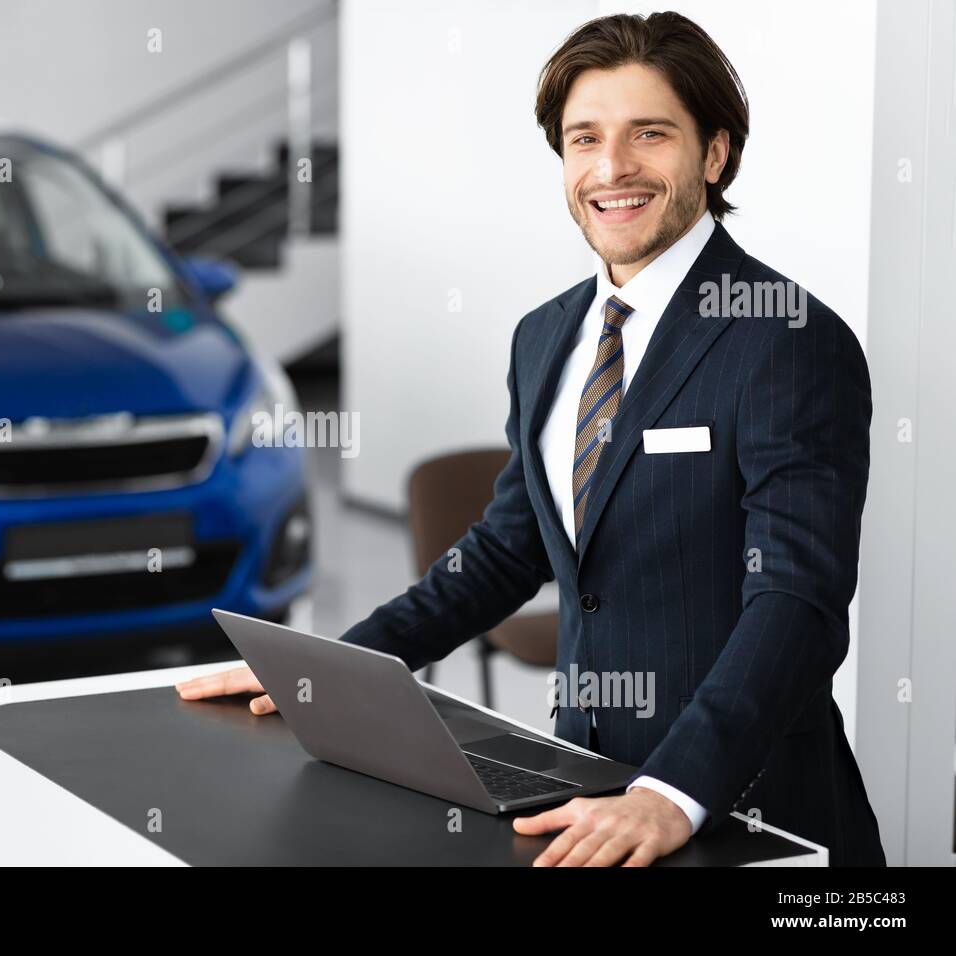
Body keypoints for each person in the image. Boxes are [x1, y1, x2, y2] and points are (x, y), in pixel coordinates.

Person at [178, 11, 885, 867]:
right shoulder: (546, 335)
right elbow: (509, 551)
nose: (611, 168)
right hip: (582, 793)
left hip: (746, 812)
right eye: (584, 138)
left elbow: (797, 603)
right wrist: (328, 669)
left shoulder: (785, 338)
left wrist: (673, 793)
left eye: (649, 134)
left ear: (714, 154)